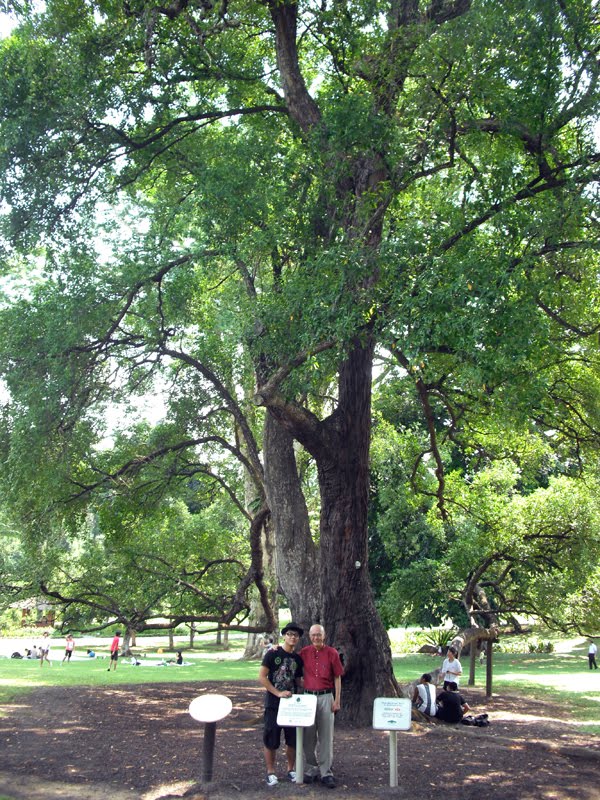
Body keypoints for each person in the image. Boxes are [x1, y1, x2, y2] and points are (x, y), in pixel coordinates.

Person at [259, 622, 304, 787]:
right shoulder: (273, 653)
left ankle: (291, 769)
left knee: (292, 739)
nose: (292, 637)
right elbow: (262, 677)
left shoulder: (297, 659)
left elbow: (298, 680)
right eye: (290, 634)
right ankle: (270, 772)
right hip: (274, 704)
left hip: (292, 706)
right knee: (271, 738)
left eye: (296, 635)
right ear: (284, 635)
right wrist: (277, 693)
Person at [300, 624, 344, 789]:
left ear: (324, 635)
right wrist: (275, 647)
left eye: (318, 634)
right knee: (308, 736)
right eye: (313, 635)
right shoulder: (304, 652)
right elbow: (289, 658)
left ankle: (326, 772)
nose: (316, 638)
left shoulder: (332, 653)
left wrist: (337, 700)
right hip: (308, 698)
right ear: (309, 636)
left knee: (326, 736)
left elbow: (338, 677)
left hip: (326, 696)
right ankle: (311, 768)